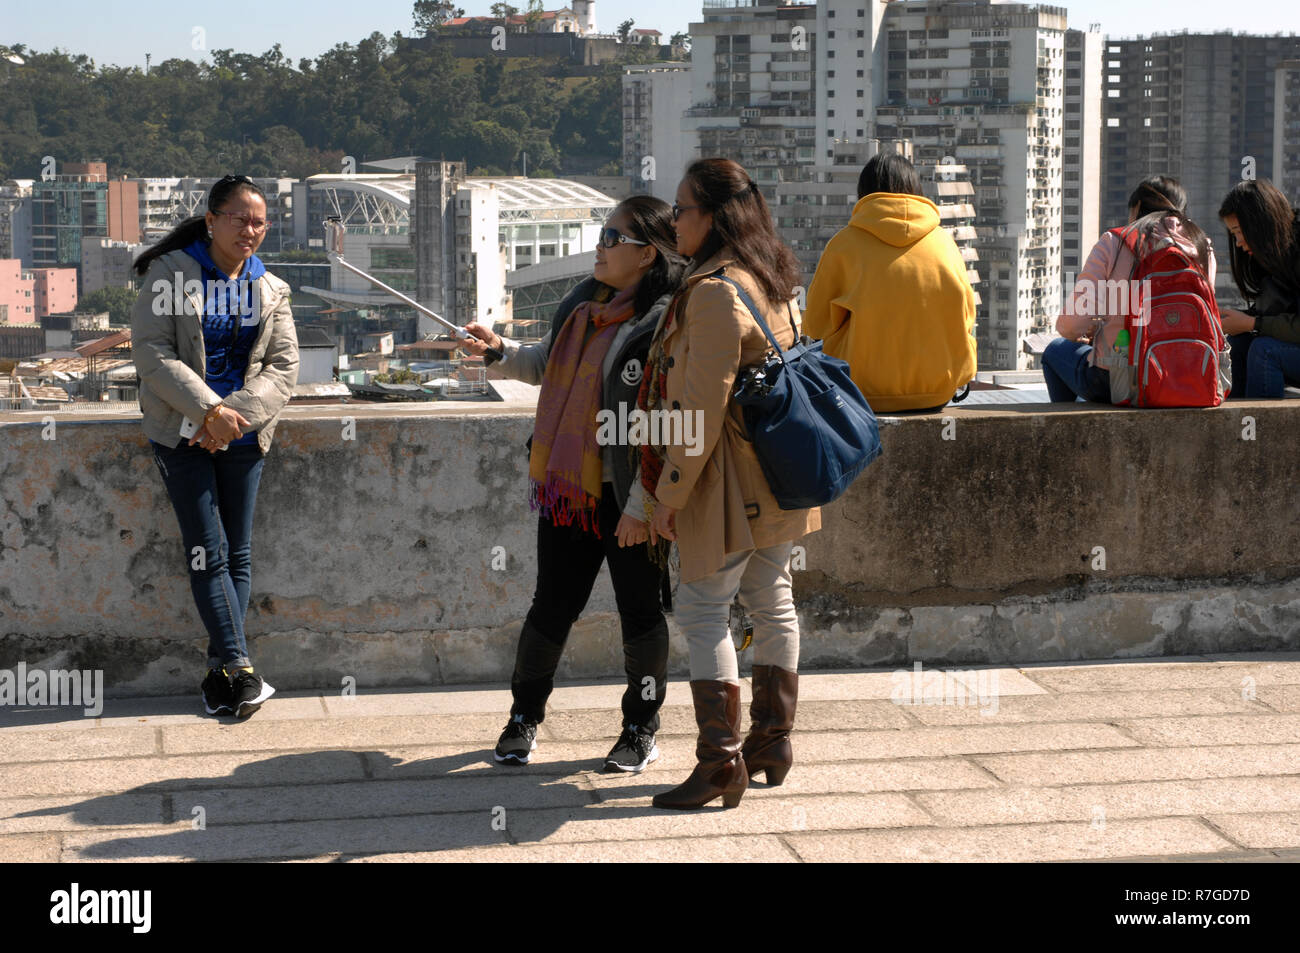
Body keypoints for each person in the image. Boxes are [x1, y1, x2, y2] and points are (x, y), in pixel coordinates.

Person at [461, 196, 685, 772]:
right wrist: (498, 354)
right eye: (601, 234)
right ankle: (523, 718)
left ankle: (640, 727)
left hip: (634, 492)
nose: (600, 247)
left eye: (613, 238)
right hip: (571, 488)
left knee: (640, 612)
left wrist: (643, 503)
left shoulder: (667, 319)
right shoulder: (583, 301)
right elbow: (542, 363)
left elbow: (667, 421)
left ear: (647, 253)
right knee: (552, 605)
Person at [640, 158, 820, 810]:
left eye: (681, 208)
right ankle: (772, 741)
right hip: (778, 475)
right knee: (772, 598)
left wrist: (669, 496)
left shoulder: (715, 292)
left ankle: (720, 762)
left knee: (701, 610)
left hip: (726, 485)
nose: (672, 220)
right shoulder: (772, 278)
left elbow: (698, 413)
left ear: (712, 216)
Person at [130, 175, 299, 718]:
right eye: (240, 219)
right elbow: (153, 353)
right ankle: (242, 669)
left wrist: (235, 418)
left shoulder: (271, 288)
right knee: (208, 549)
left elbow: (283, 367)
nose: (251, 230)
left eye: (260, 222)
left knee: (237, 553)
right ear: (211, 220)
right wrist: (209, 411)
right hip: (182, 432)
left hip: (244, 435)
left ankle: (222, 671)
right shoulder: (171, 274)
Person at [803, 153, 976, 412]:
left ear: (864, 193)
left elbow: (815, 326)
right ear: (916, 191)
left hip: (857, 392)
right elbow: (966, 319)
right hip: (938, 392)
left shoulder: (843, 245)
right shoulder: (945, 244)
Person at [1046, 175, 1215, 403]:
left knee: (1055, 350)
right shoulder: (1202, 247)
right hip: (1188, 377)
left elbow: (1071, 326)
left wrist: (1100, 328)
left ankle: (1066, 435)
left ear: (1136, 208)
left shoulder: (1113, 242)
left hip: (1119, 381)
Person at [1217, 179, 1300, 397]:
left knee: (1264, 351)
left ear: (1259, 224)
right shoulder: (1274, 258)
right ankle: (1237, 427)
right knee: (1238, 344)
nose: (1238, 243)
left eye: (1239, 231)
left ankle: (1261, 430)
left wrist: (1252, 323)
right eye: (1232, 234)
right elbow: (1279, 310)